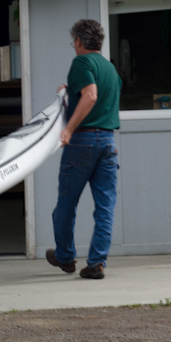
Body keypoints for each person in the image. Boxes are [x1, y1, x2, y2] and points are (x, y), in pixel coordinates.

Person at [46, 19, 121, 280]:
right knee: (105, 205)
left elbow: (90, 96)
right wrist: (70, 93)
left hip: (82, 142)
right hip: (108, 143)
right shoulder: (110, 69)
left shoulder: (81, 63)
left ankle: (65, 257)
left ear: (79, 41)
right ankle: (97, 262)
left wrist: (67, 129)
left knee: (66, 204)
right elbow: (96, 96)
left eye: (73, 42)